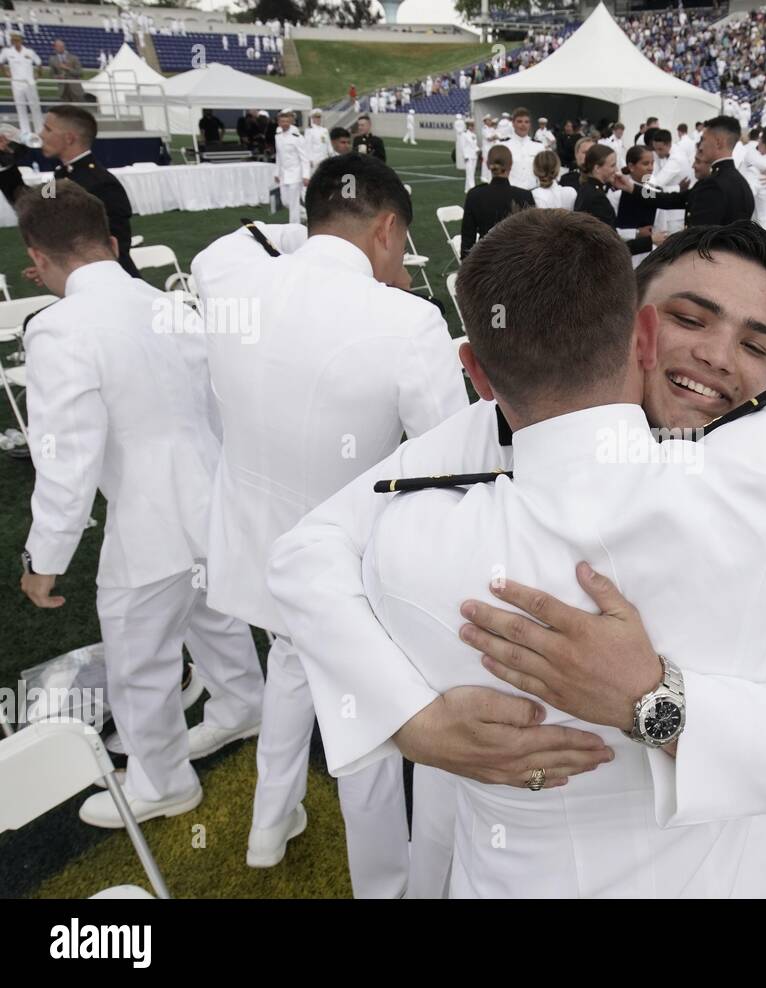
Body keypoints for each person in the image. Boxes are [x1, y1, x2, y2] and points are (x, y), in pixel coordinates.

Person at [268, 220, 766, 898]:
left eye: (756, 344)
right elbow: (308, 550)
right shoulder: (498, 425)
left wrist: (650, 698)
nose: (720, 357)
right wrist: (413, 720)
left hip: (751, 872)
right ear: (632, 328)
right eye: (691, 318)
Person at [191, 154, 467, 896]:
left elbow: (232, 244)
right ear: (386, 228)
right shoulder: (409, 322)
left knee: (291, 669)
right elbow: (454, 457)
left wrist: (324, 242)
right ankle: (384, 886)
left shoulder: (228, 278)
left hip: (258, 557)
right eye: (399, 244)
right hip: (349, 571)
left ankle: (266, 826)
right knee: (369, 732)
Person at [16, 183, 264, 829]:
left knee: (139, 651)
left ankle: (160, 781)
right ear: (114, 243)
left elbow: (65, 453)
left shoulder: (57, 328)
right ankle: (242, 705)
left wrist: (44, 555)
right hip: (210, 493)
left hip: (148, 517)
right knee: (213, 613)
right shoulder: (170, 304)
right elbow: (218, 409)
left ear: (36, 261)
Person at [0, 105, 139, 277]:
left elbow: (115, 249)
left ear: (69, 138)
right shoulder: (62, 174)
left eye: (47, 129)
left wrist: (65, 270)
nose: (41, 135)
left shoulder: (101, 184)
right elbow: (32, 208)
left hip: (110, 287)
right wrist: (6, 162)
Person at [620, 115, 754, 227]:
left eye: (704, 139)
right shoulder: (739, 183)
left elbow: (699, 238)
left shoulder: (715, 184)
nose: (700, 145)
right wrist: (632, 188)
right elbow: (670, 200)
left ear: (718, 143)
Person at [574, 143, 659, 259]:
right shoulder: (597, 198)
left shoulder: (589, 189)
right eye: (612, 166)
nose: (616, 170)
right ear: (597, 168)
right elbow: (611, 245)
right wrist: (650, 240)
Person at [461, 144, 534, 258]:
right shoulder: (524, 196)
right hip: (515, 264)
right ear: (511, 165)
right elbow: (531, 238)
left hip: (485, 263)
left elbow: (467, 239)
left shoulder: (474, 195)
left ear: (487, 164)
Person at [1, 32, 43, 136]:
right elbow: (0, 62)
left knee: (35, 107)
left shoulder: (29, 52)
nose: (15, 42)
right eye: (13, 40)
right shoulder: (7, 52)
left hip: (30, 83)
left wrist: (38, 74)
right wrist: (5, 72)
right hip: (16, 83)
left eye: (17, 40)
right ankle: (25, 132)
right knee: (20, 107)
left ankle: (39, 131)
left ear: (21, 40)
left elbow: (39, 62)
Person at [273, 110, 307, 225]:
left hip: (295, 174)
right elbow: (279, 155)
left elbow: (304, 158)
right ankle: (306, 214)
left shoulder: (297, 137)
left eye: (287, 121)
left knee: (292, 204)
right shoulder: (278, 136)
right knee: (285, 202)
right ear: (278, 122)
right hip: (283, 174)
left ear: (291, 122)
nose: (284, 124)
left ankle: (294, 227)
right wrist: (276, 172)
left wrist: (305, 175)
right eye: (282, 121)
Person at [503, 106, 541, 190]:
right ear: (513, 123)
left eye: (526, 122)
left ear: (530, 124)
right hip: (510, 191)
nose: (523, 125)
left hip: (532, 192)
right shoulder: (504, 146)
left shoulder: (539, 146)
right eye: (519, 121)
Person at [48, 39, 84, 103]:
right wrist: (58, 77)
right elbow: (52, 74)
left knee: (77, 109)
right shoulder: (52, 59)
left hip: (75, 88)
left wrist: (67, 68)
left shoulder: (74, 58)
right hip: (63, 89)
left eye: (62, 46)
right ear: (55, 47)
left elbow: (80, 73)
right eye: (59, 46)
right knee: (65, 110)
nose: (61, 48)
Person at [302, 108, 330, 179]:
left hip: (324, 158)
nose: (318, 119)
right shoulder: (309, 131)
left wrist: (331, 155)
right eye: (316, 117)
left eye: (319, 117)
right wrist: (309, 159)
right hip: (315, 160)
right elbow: (307, 146)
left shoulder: (325, 130)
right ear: (312, 119)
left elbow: (328, 144)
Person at [457, 117, 479, 193]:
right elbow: (462, 146)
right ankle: (473, 189)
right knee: (469, 173)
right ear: (468, 126)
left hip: (474, 155)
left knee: (472, 173)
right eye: (471, 125)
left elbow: (474, 145)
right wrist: (465, 156)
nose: (473, 127)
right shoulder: (464, 134)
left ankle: (467, 189)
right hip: (468, 156)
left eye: (473, 125)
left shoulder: (474, 135)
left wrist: (477, 149)